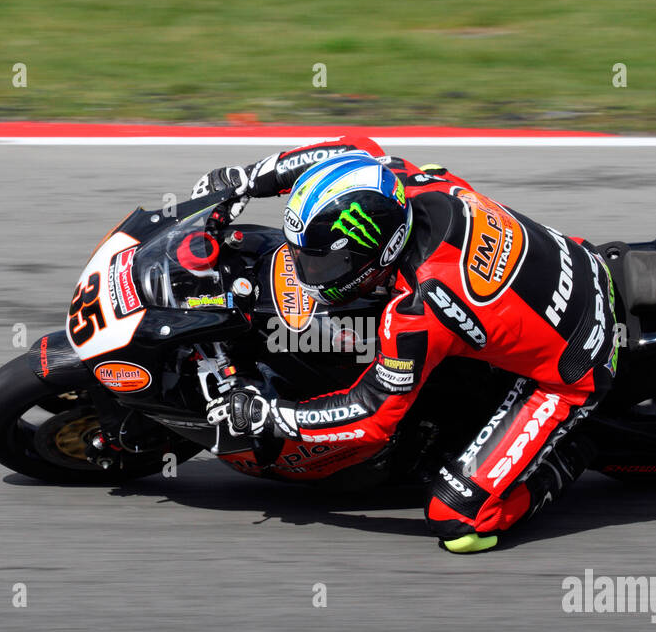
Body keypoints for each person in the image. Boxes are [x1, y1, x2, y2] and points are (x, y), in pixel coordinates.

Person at [198, 137, 617, 553]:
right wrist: (248, 179)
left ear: (383, 249)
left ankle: (571, 455)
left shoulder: (419, 308)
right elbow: (349, 150)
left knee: (456, 521)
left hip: (574, 368)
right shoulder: (403, 180)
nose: (307, 273)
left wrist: (272, 416)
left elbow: (372, 415)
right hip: (580, 259)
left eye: (324, 263)